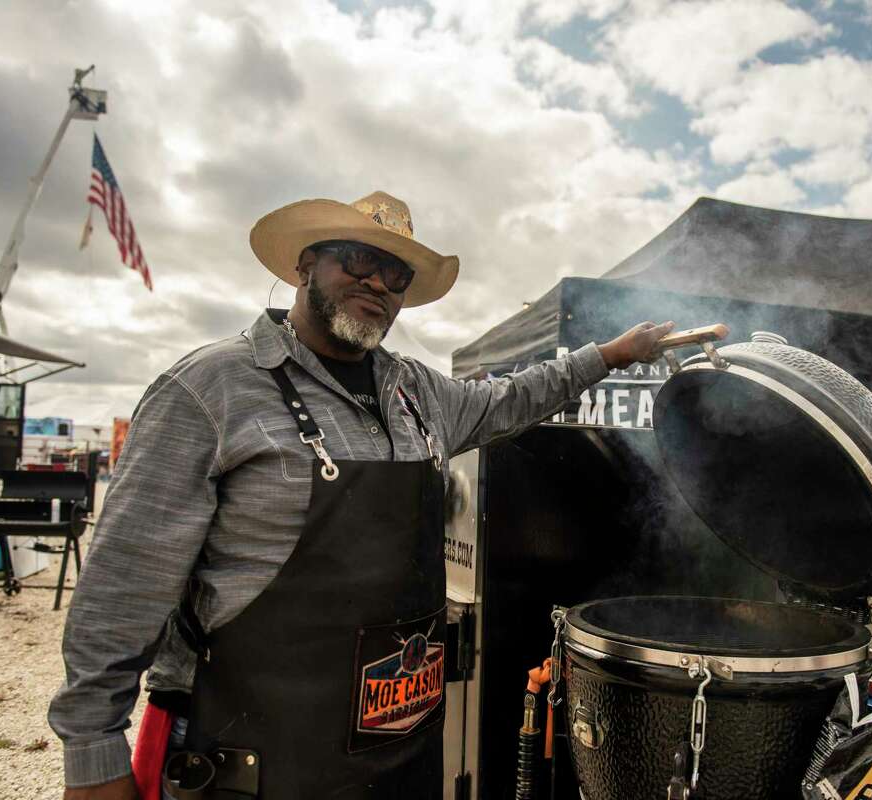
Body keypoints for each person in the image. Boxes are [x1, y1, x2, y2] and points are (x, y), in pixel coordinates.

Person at [49, 191, 674, 799]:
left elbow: (512, 397)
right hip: (252, 752)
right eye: (358, 259)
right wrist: (93, 751)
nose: (377, 282)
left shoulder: (418, 393)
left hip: (401, 753)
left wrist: (611, 354)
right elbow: (123, 583)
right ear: (304, 265)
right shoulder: (210, 390)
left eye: (396, 274)